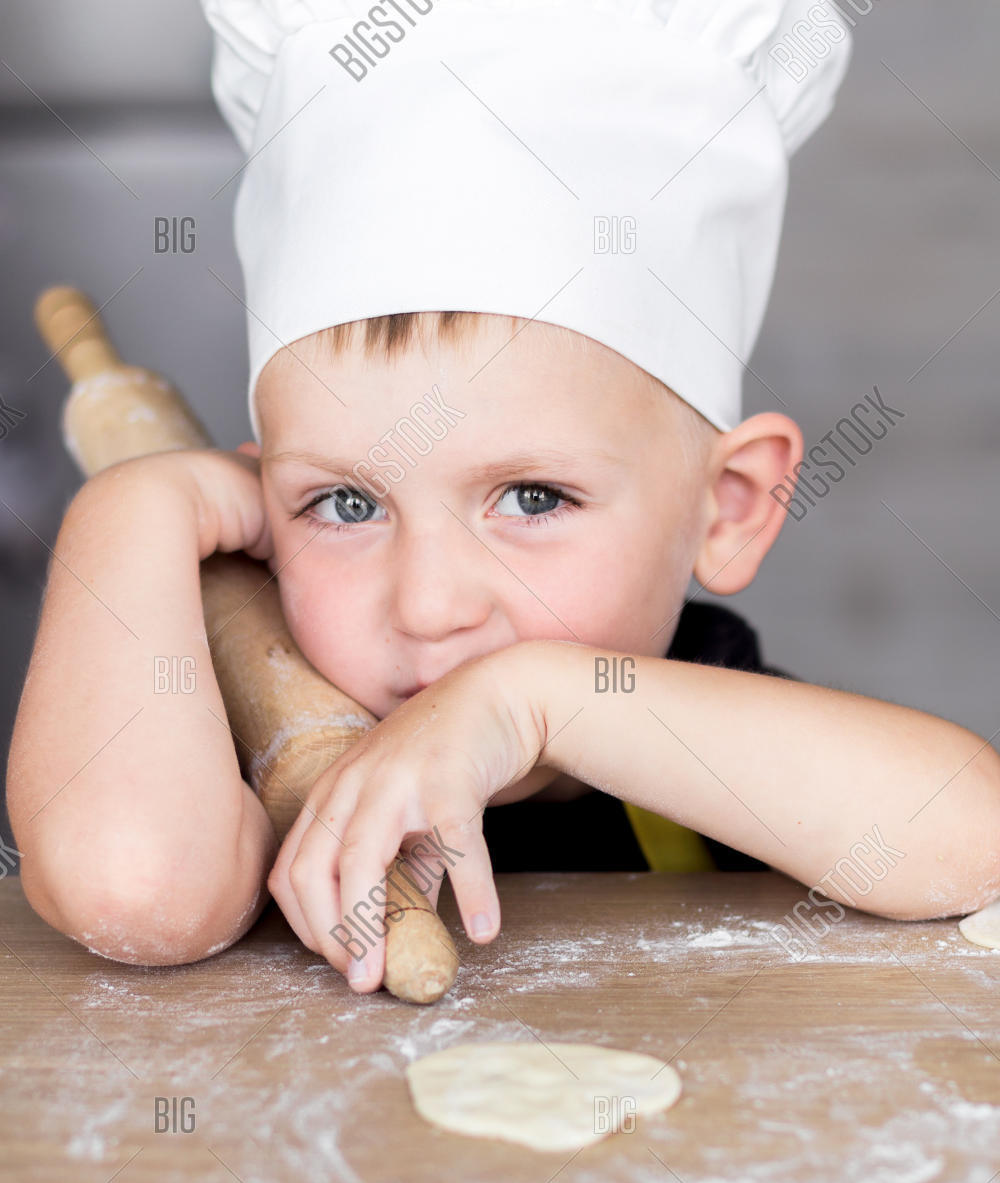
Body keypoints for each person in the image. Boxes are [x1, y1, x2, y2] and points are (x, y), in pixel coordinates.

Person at [8, 0, 1000, 993]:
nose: (430, 607)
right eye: (346, 505)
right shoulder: (219, 728)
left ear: (727, 505)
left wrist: (537, 703)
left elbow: (968, 838)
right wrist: (131, 515)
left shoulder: (705, 718)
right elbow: (136, 892)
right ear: (258, 506)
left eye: (530, 498)